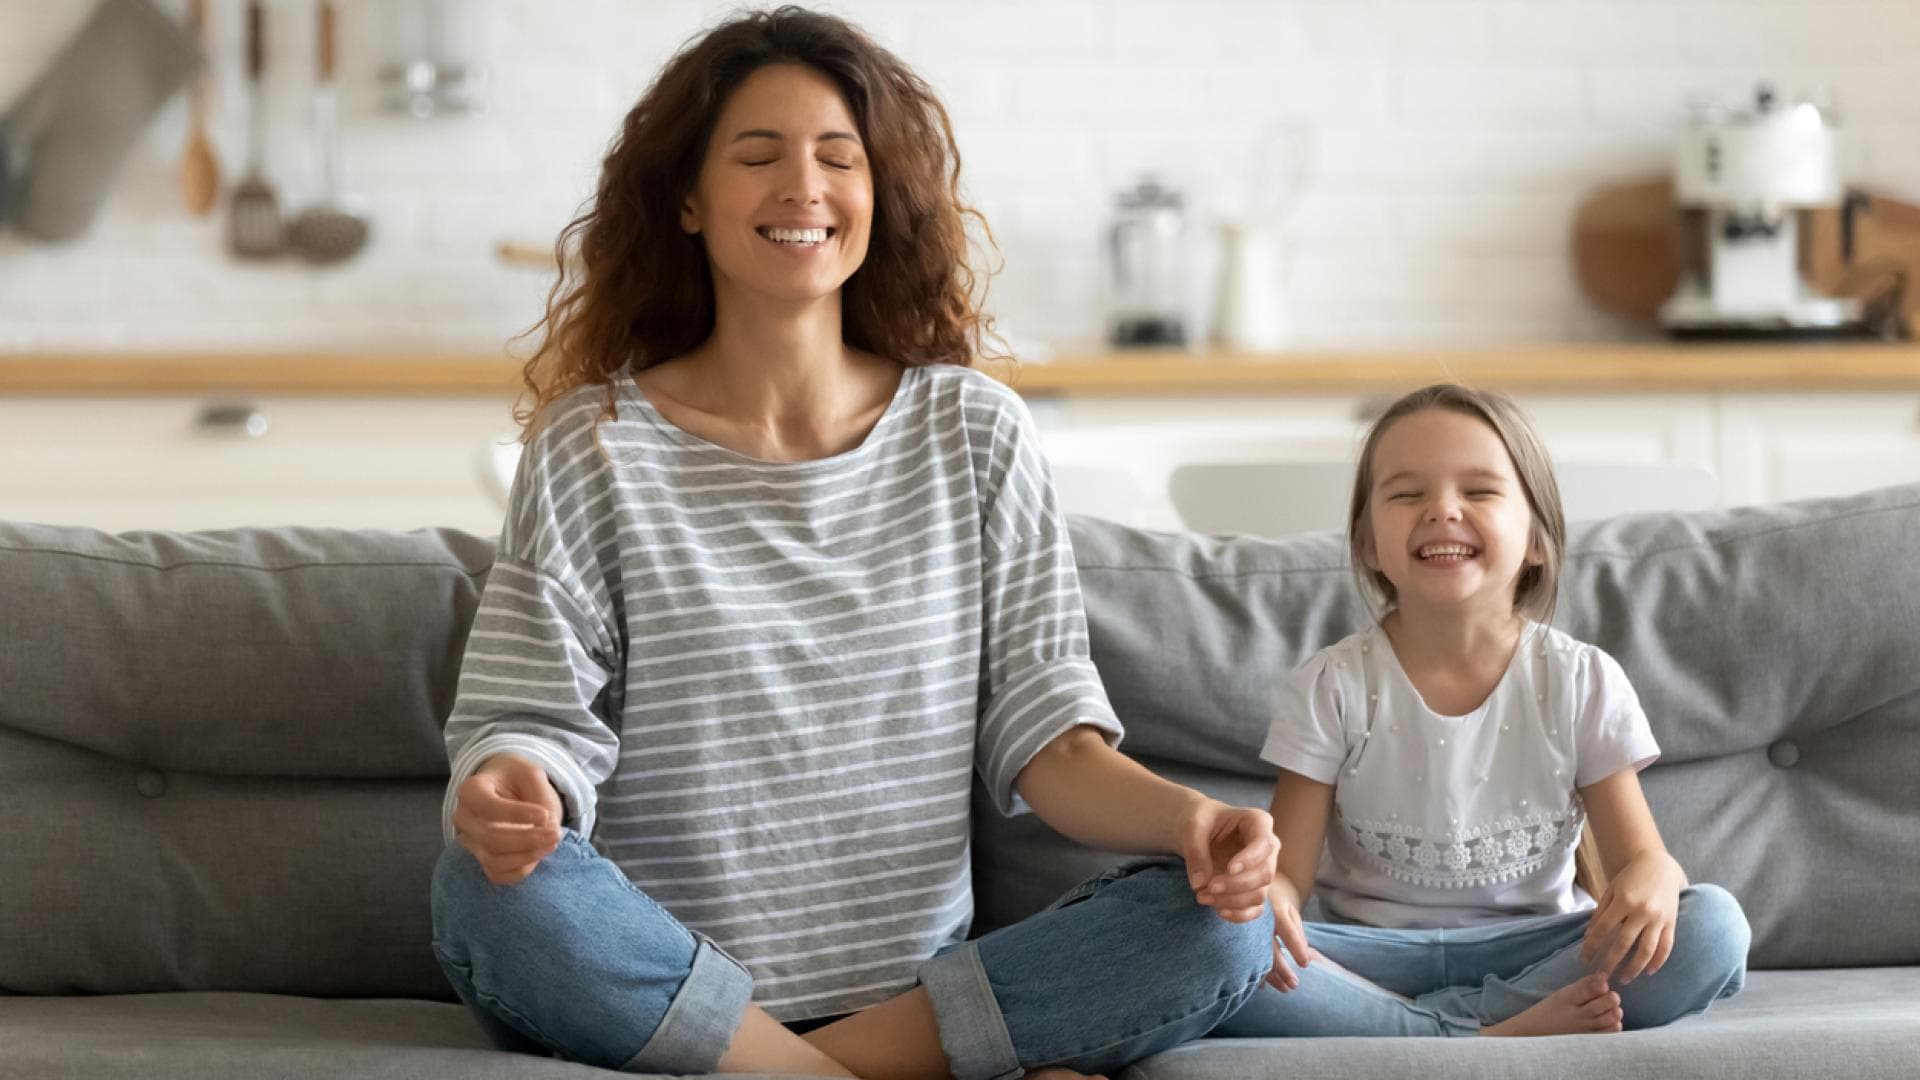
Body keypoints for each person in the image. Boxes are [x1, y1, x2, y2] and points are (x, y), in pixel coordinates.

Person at [427, 8, 1277, 1079]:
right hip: (652, 983)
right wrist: (511, 781)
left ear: (881, 198)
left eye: (840, 157)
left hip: (909, 999)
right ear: (687, 200)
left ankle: (779, 1069)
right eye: (757, 155)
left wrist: (1196, 819)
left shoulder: (972, 431)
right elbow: (528, 720)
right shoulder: (594, 446)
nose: (804, 186)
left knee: (1223, 922)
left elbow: (1051, 741)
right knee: (479, 890)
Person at [1213, 383, 1750, 1039]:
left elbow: (1643, 862)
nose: (1442, 510)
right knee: (1215, 943)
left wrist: (1660, 880)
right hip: (1372, 959)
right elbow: (1288, 884)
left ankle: (1423, 1036)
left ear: (1538, 541)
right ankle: (1488, 1034)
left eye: (1480, 491)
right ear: (1365, 543)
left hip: (1542, 951)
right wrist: (1267, 902)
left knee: (1714, 925)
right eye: (1407, 494)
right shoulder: (1330, 684)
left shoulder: (1581, 679)